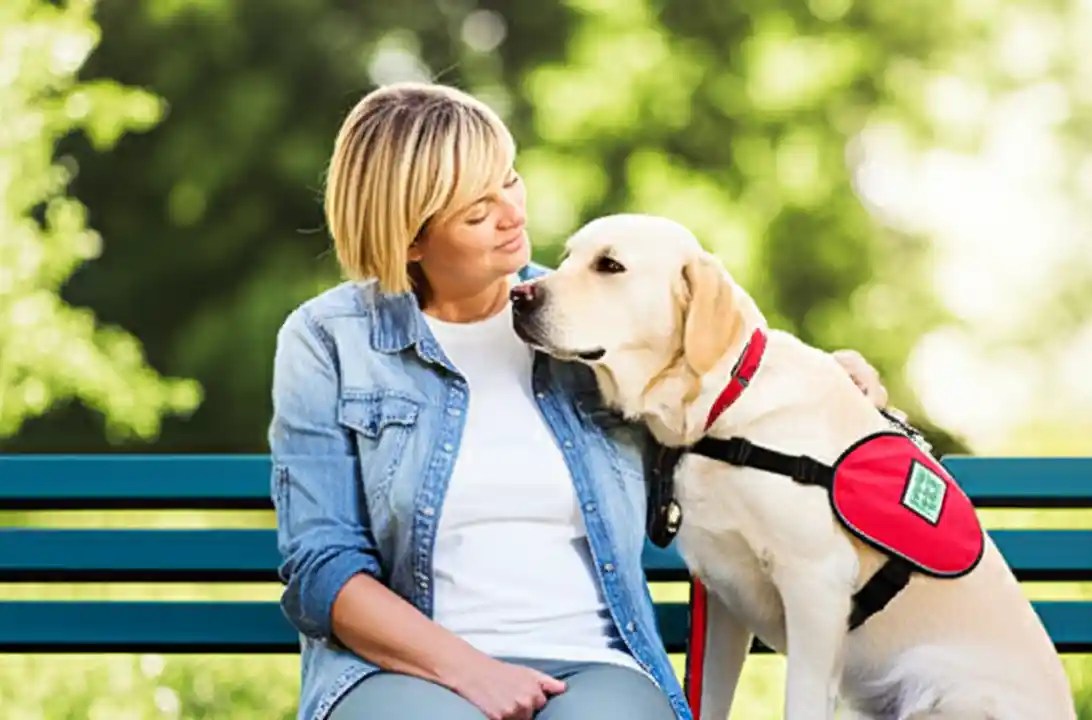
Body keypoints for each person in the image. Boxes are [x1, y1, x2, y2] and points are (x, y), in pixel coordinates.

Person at [267, 81, 891, 720]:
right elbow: (323, 569)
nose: (512, 215)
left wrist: (825, 381)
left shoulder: (592, 309)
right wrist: (475, 673)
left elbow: (714, 384)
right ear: (410, 242)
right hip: (407, 671)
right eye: (477, 211)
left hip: (596, 664)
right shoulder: (330, 342)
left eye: (509, 179)